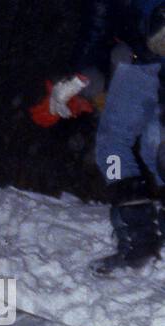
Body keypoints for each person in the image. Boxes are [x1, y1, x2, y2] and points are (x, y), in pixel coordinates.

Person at [43, 0, 165, 274]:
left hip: (143, 60)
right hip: (144, 56)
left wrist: (77, 76)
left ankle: (140, 239)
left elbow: (98, 21)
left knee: (114, 146)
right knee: (153, 146)